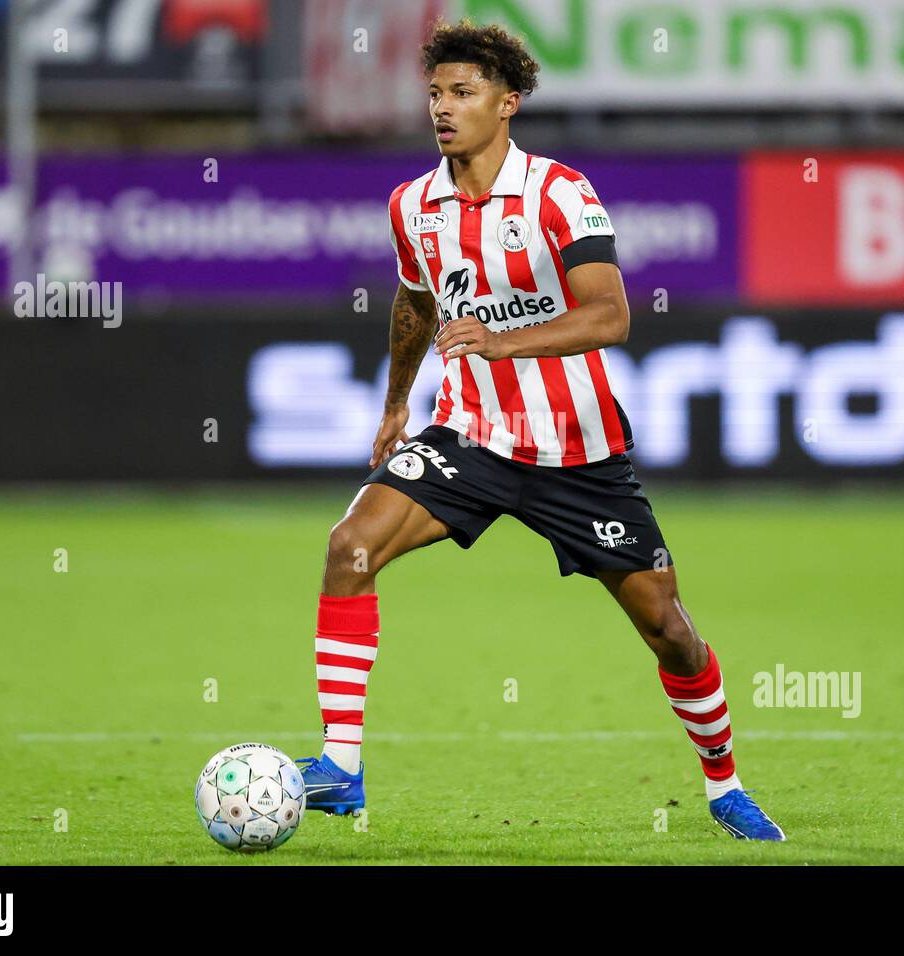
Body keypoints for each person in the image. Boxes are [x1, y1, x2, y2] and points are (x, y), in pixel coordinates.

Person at [295, 17, 785, 841]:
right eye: (435, 94)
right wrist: (395, 404)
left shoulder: (559, 193)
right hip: (470, 436)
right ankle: (341, 766)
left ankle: (725, 784)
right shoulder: (412, 205)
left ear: (508, 102)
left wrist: (500, 340)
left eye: (463, 93)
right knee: (350, 546)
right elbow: (416, 302)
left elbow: (610, 314)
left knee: (667, 628)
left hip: (577, 450)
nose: (443, 109)